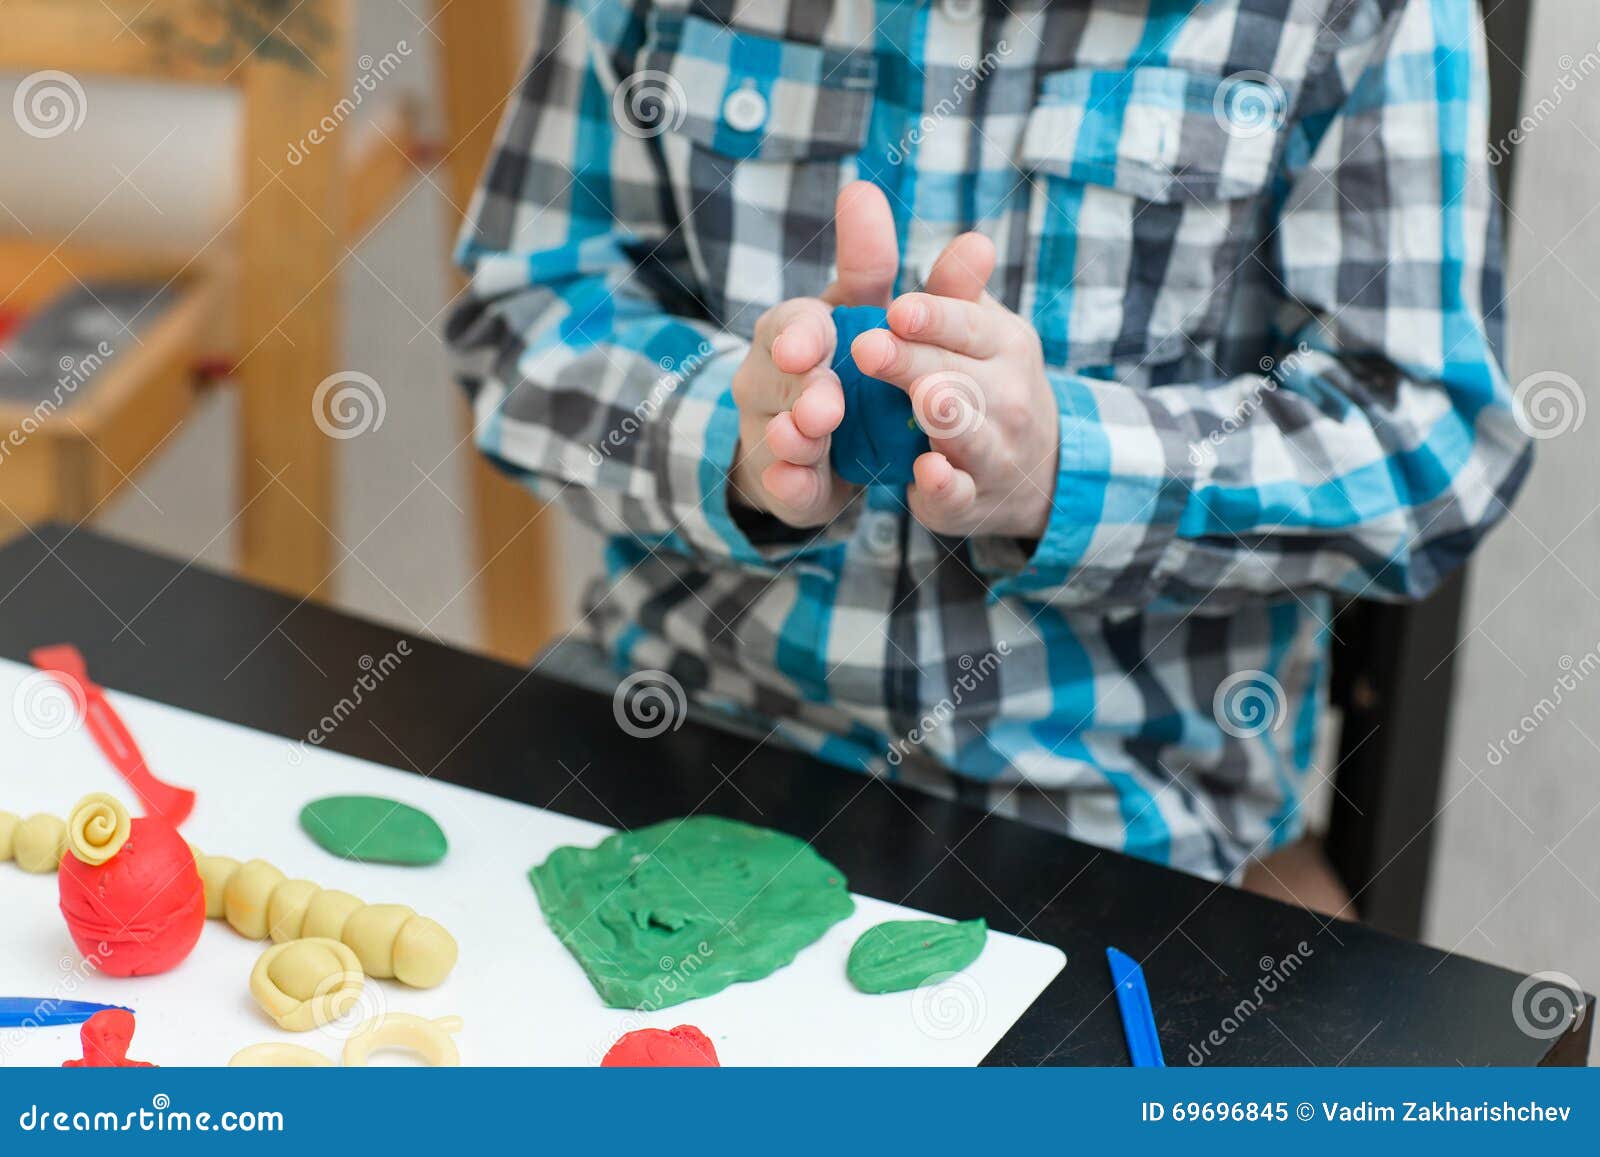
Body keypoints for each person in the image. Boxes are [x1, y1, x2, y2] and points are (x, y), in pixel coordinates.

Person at [446, 0, 1529, 909]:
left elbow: (1432, 447)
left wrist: (1068, 469)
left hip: (1117, 828)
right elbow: (524, 311)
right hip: (679, 732)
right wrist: (730, 438)